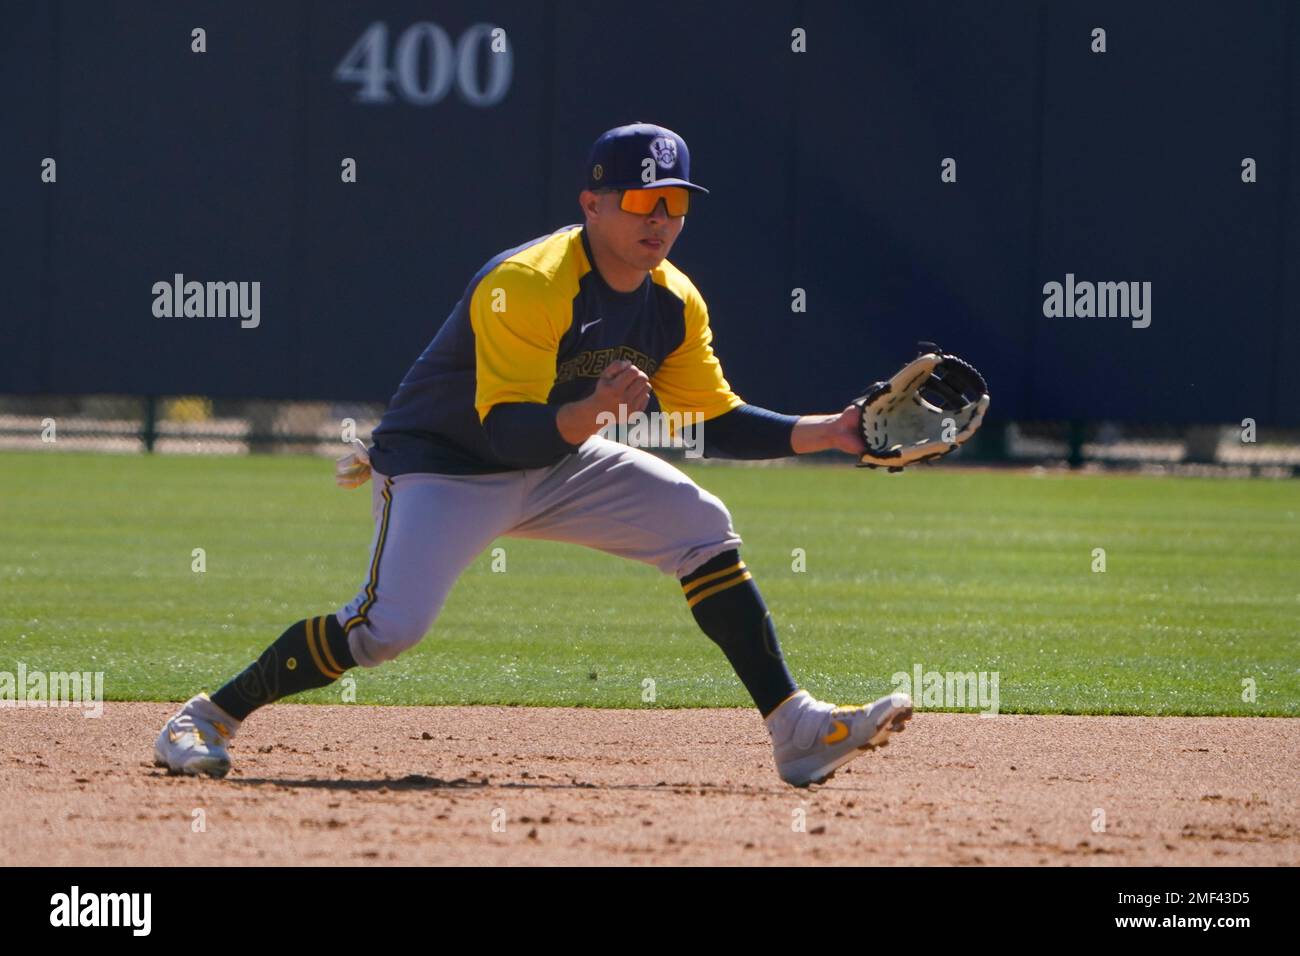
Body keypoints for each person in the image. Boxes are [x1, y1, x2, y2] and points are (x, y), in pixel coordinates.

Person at [153, 122, 911, 788]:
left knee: (700, 523)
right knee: (387, 631)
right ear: (593, 204)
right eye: (644, 201)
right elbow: (506, 430)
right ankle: (207, 718)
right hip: (443, 461)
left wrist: (831, 431)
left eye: (675, 203)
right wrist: (589, 415)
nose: (662, 220)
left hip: (555, 462)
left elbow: (710, 419)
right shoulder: (529, 284)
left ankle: (797, 731)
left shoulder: (674, 301)